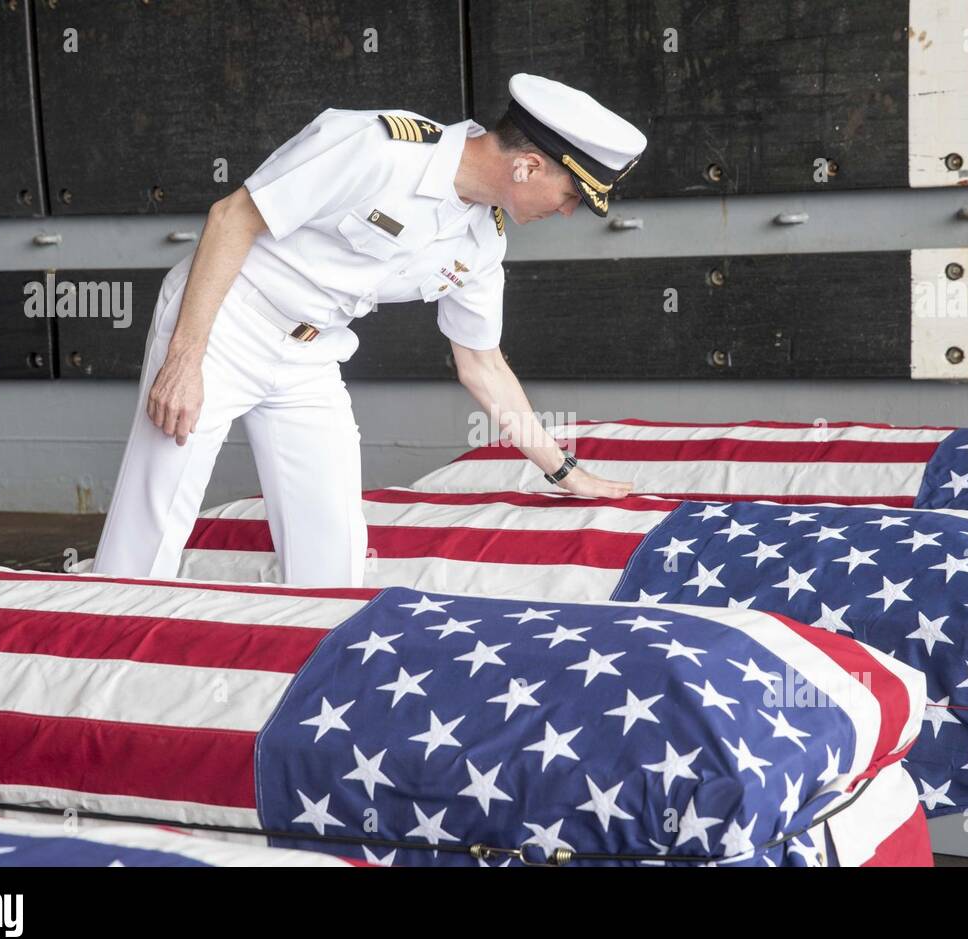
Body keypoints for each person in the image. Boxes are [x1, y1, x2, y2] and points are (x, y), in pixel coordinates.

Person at [93, 73, 648, 586]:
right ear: (528, 165)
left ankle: (307, 672)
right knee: (153, 519)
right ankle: (97, 660)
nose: (570, 211)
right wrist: (186, 359)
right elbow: (232, 217)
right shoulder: (377, 148)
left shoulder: (484, 241)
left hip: (311, 356)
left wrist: (565, 471)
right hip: (224, 323)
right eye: (574, 195)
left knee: (332, 548)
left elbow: (482, 364)